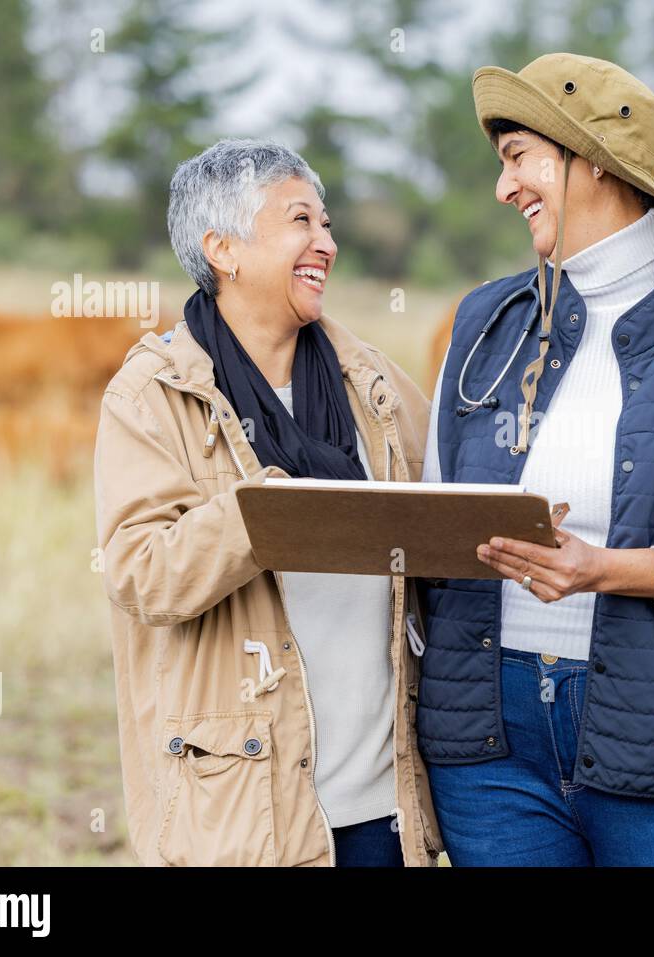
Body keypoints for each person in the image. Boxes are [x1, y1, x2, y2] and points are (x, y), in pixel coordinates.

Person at [420, 54, 654, 866]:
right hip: (491, 747)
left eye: (519, 157)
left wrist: (605, 568)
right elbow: (435, 515)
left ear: (590, 157)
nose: (505, 187)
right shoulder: (484, 323)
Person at [94, 138, 442, 866]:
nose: (327, 242)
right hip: (243, 821)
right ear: (222, 248)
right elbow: (141, 572)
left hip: (383, 809)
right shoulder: (153, 398)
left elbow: (440, 514)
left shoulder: (369, 382)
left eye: (326, 223)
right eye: (301, 222)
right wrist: (266, 513)